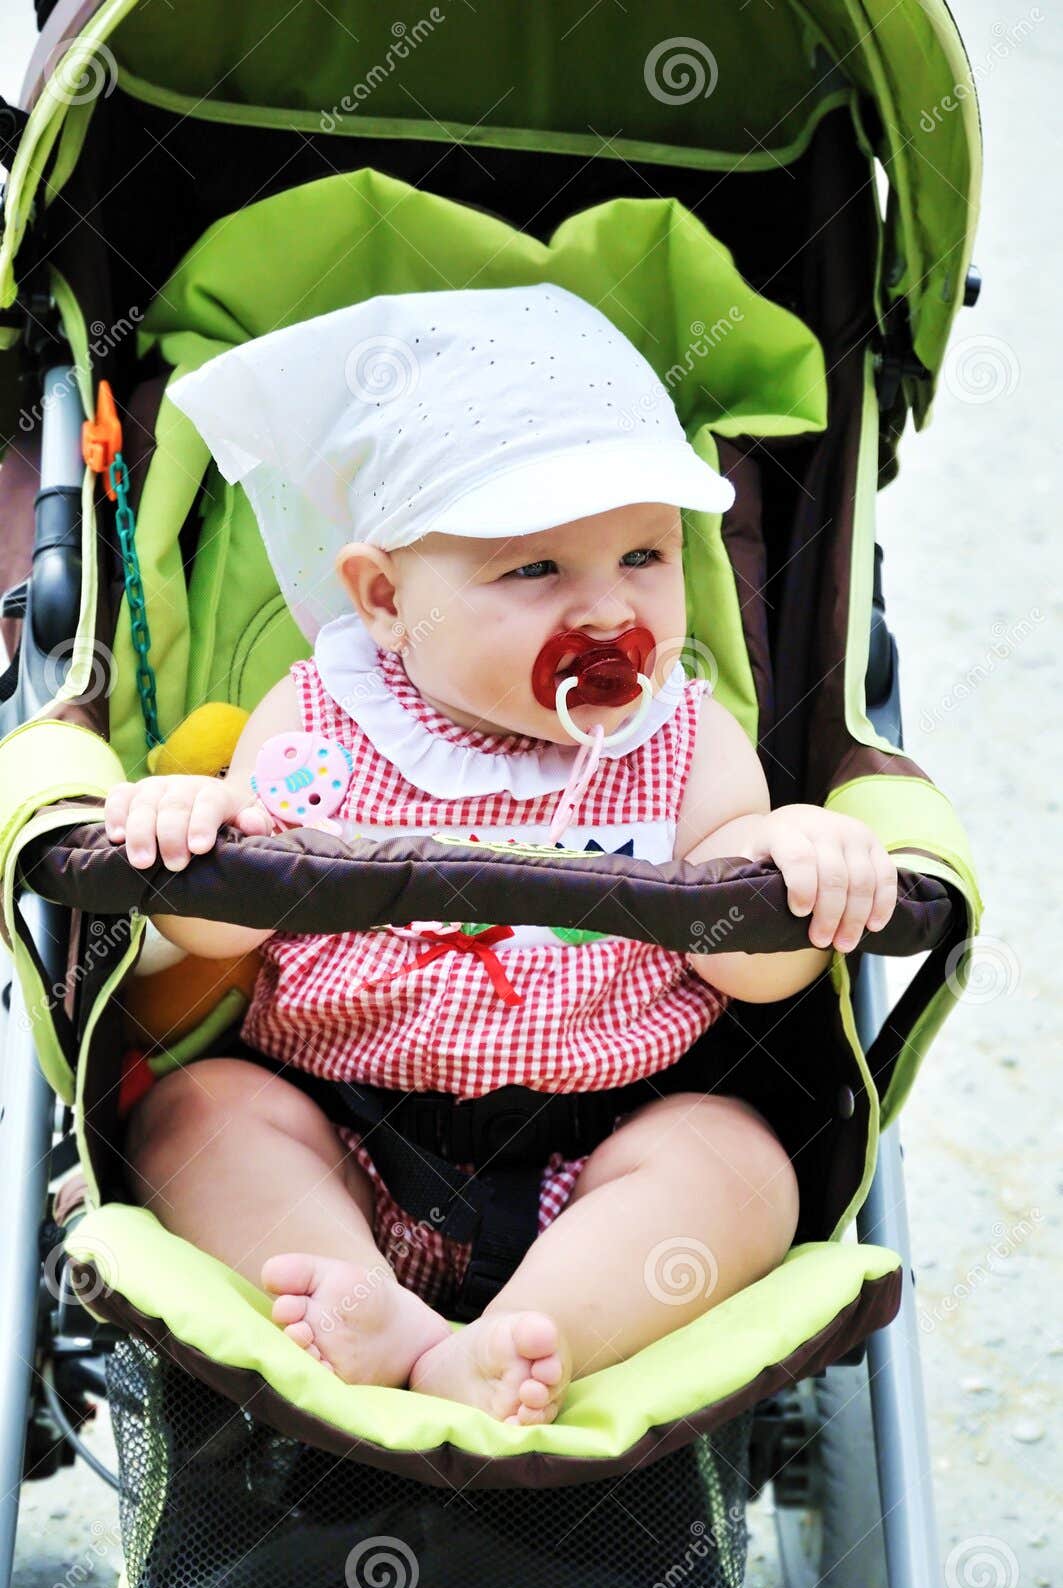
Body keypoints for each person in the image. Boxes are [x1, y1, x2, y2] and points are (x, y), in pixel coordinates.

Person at [105, 284, 896, 1426]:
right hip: (339, 1126)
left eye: (644, 555)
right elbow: (221, 921)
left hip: (603, 1150)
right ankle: (367, 1301)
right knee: (197, 1117)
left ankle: (526, 1335)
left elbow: (755, 970)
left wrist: (792, 857)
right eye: (535, 571)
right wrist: (196, 826)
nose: (608, 611)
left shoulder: (682, 740)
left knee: (737, 1165)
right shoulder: (326, 719)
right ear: (386, 598)